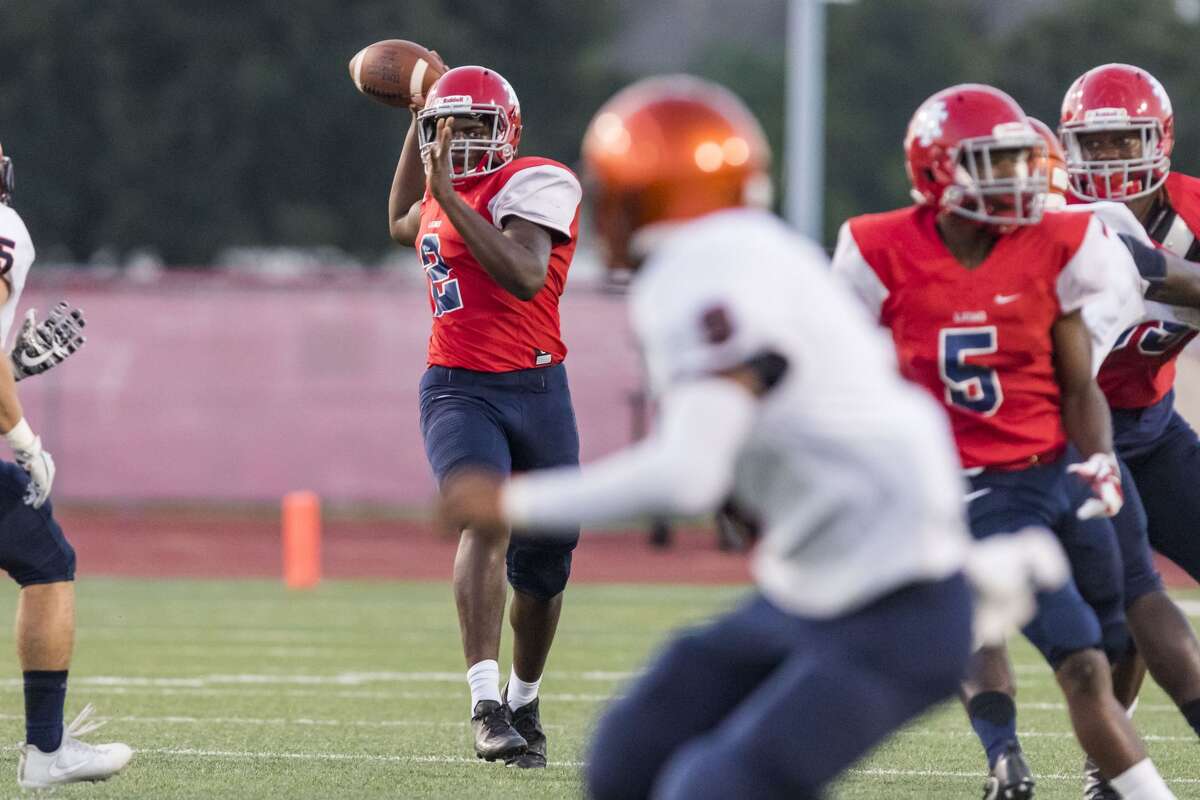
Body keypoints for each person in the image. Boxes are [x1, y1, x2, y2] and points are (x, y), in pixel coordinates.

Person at [438, 74, 1064, 800]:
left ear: (642, 193)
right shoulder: (747, 250)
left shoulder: (698, 272)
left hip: (900, 602)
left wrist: (512, 504)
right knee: (630, 751)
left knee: (715, 785)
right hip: (815, 585)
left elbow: (688, 475)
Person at [831, 84, 1176, 800]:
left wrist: (1100, 458)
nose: (1017, 181)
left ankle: (1072, 774)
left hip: (1056, 463)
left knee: (1106, 635)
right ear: (938, 171)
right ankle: (1006, 758)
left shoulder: (1069, 237)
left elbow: (1083, 376)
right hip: (956, 475)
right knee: (1020, 631)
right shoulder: (878, 248)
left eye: (1021, 163)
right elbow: (836, 374)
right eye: (995, 164)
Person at [387, 65, 583, 768]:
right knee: (484, 514)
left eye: (477, 126)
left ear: (508, 131)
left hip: (537, 389)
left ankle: (525, 698)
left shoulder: (538, 181)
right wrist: (416, 119)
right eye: (450, 126)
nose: (463, 139)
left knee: (547, 566)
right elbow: (398, 219)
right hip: (457, 388)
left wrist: (448, 195)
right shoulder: (440, 194)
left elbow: (525, 273)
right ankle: (484, 702)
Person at [1059, 61, 1200, 800]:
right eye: (1098, 142)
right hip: (1071, 440)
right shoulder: (1047, 213)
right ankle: (1112, 772)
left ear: (1160, 140)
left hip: (1152, 428)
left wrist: (1161, 270)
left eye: (1124, 141)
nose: (1110, 158)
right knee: (1125, 603)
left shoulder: (1195, 214)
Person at [0, 141, 131, 789]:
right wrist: (23, 436)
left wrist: (11, 369)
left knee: (43, 556)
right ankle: (46, 751)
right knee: (46, 562)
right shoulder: (5, 231)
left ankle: (48, 749)